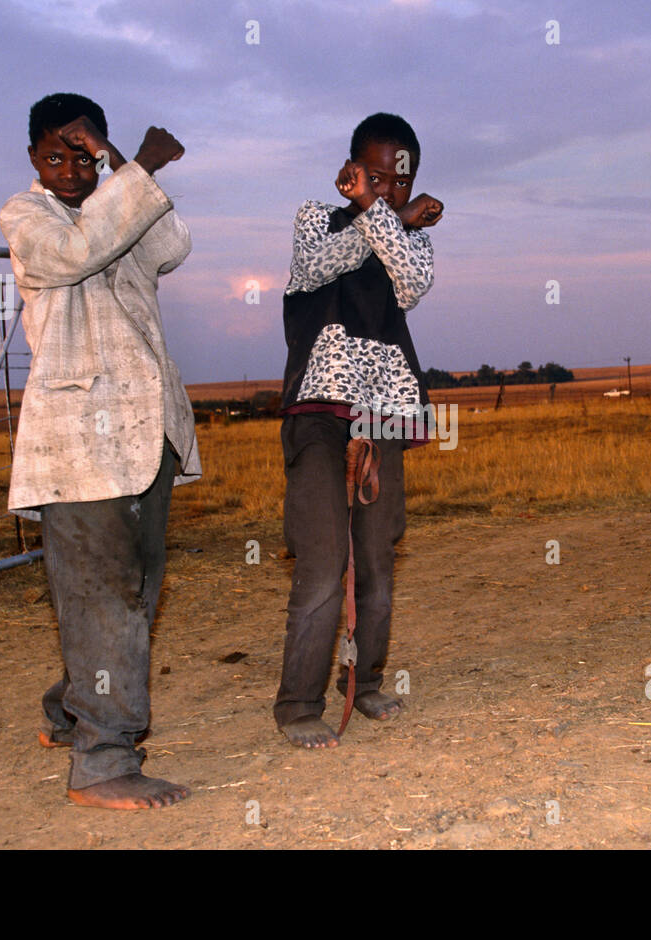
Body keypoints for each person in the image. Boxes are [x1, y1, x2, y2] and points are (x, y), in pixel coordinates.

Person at [0, 92, 200, 808]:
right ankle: (104, 762)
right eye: (56, 156)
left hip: (148, 437)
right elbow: (80, 252)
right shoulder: (28, 220)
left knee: (130, 598)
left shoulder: (119, 201)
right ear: (33, 161)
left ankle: (71, 709)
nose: (72, 170)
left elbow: (171, 246)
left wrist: (121, 167)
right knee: (104, 602)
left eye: (84, 155)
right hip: (78, 446)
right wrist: (138, 166)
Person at [275, 112, 444, 748]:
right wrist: (387, 214)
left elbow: (414, 281)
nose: (386, 189)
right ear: (349, 168)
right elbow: (320, 267)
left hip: (382, 416)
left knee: (376, 558)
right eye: (372, 176)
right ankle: (297, 705)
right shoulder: (316, 218)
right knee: (325, 559)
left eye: (398, 182)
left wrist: (385, 217)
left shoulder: (406, 238)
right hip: (319, 414)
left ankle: (364, 683)